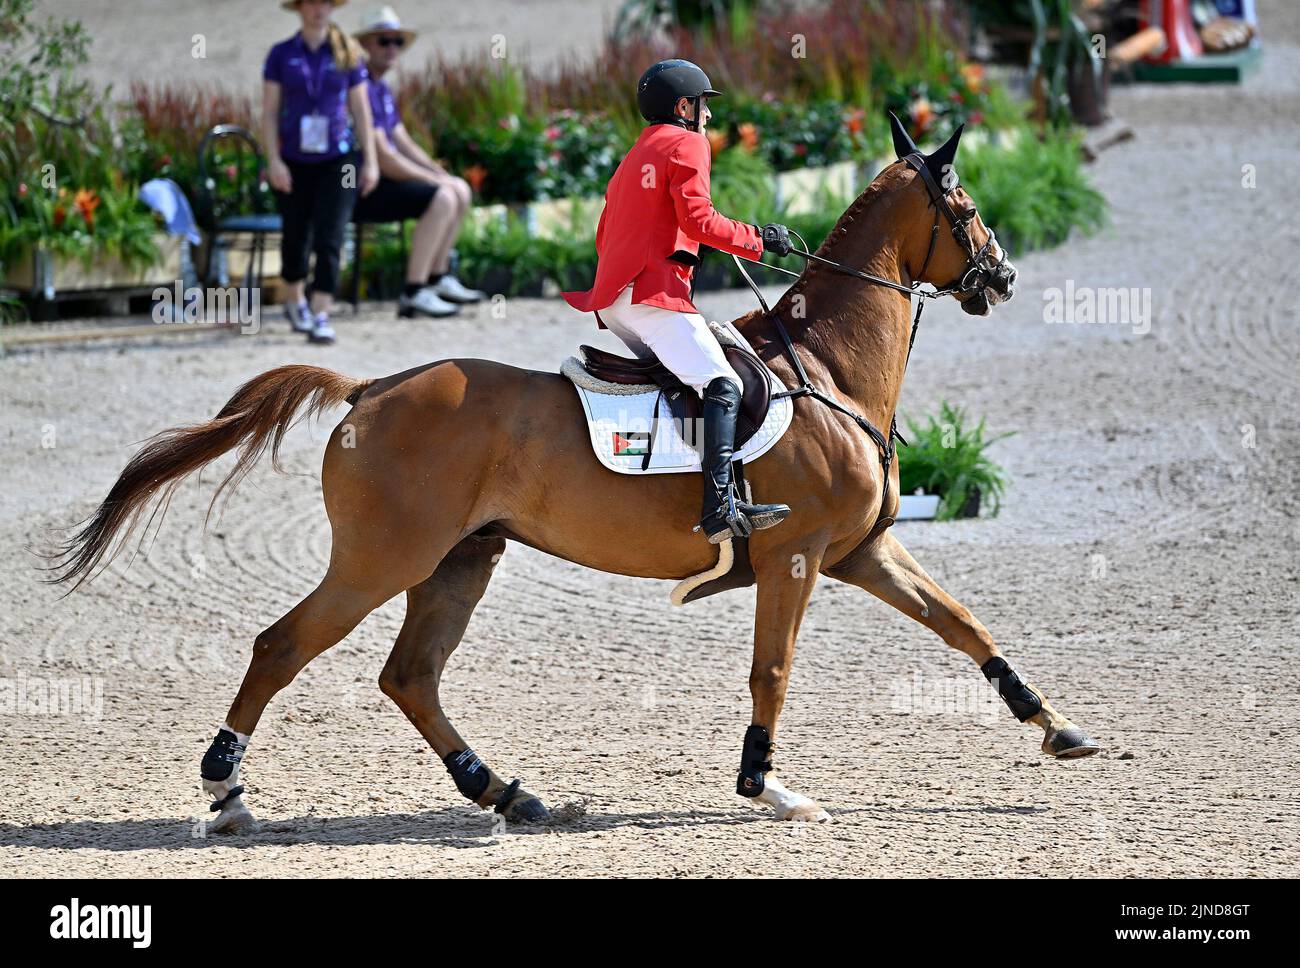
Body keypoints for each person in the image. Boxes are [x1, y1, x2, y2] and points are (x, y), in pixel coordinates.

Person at [562, 59, 794, 544]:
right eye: (704, 105)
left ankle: (670, 475)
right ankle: (720, 507)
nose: (708, 116)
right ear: (684, 106)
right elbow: (699, 220)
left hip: (616, 300)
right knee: (722, 383)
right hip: (651, 297)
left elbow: (608, 232)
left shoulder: (634, 155)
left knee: (682, 375)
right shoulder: (688, 142)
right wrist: (758, 238)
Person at [353, 6, 485, 318]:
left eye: (396, 41)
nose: (391, 48)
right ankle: (413, 292)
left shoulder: (380, 87)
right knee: (441, 196)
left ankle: (437, 280)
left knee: (459, 189)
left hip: (382, 182)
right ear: (366, 44)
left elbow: (403, 142)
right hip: (359, 189)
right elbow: (384, 157)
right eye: (384, 40)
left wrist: (438, 172)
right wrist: (434, 181)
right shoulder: (358, 83)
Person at [263, 0, 378, 344]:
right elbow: (270, 111)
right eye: (312, 2)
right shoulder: (281, 54)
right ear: (299, 8)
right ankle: (295, 298)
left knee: (331, 233)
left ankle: (322, 311)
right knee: (296, 235)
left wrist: (370, 160)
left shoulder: (347, 51)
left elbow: (361, 110)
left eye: (325, 2)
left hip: (339, 160)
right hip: (295, 159)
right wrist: (273, 160)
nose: (319, 9)